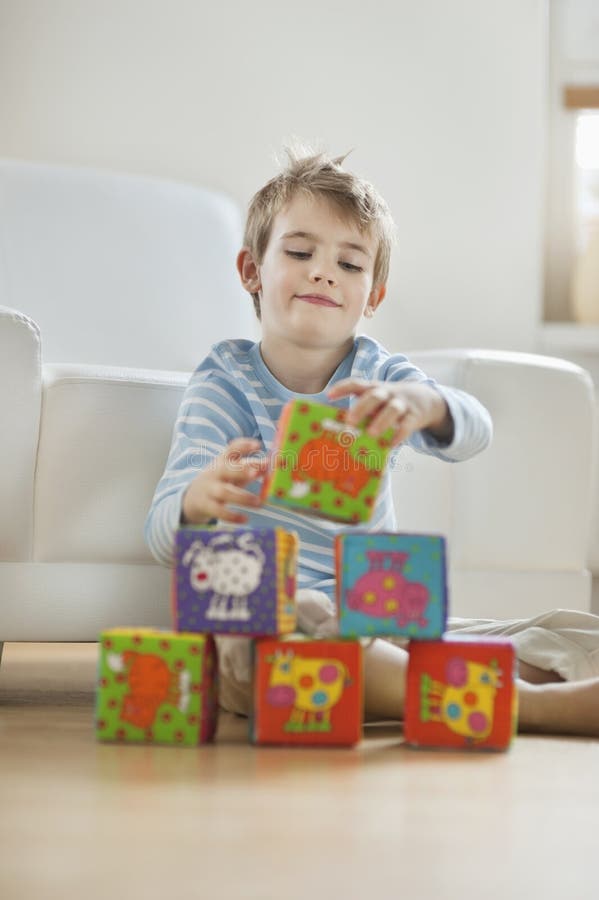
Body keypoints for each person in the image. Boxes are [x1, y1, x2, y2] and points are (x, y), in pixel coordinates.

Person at [145, 147, 599, 738]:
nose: (323, 272)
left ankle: (429, 682)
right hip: (271, 622)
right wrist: (195, 500)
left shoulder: (380, 373)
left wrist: (426, 404)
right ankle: (527, 707)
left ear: (373, 296)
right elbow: (160, 530)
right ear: (252, 270)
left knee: (574, 632)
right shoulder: (225, 380)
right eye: (300, 252)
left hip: (380, 624)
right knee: (289, 639)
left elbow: (474, 431)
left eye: (351, 264)